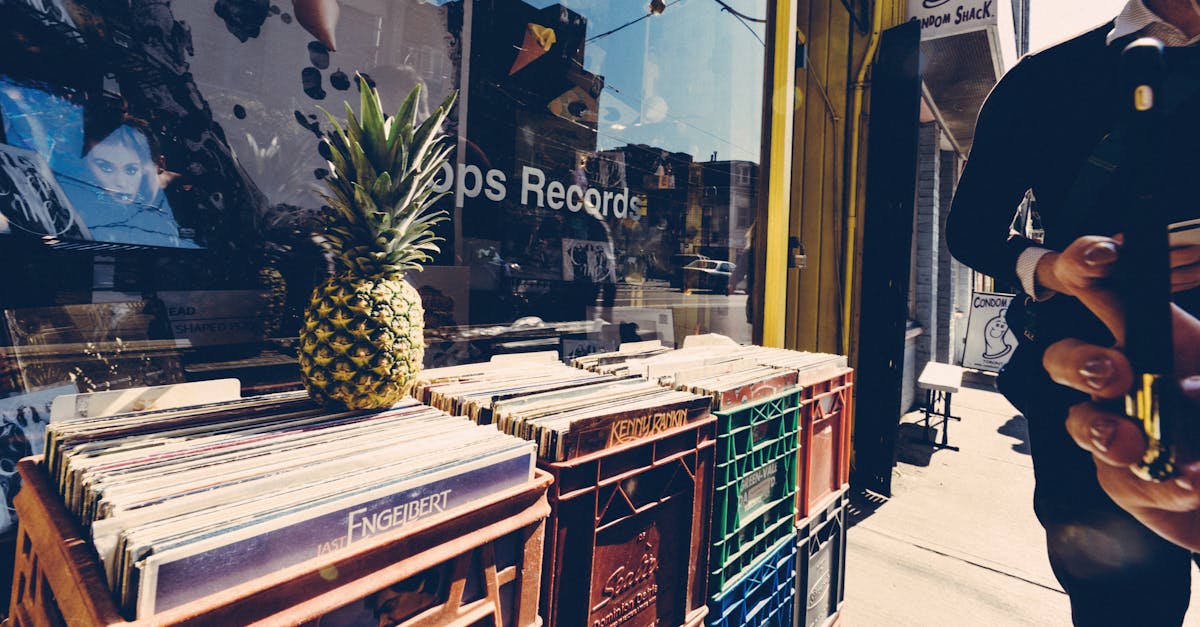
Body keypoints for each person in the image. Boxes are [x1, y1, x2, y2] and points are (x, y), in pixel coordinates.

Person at [946, 1, 1200, 624]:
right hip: (1094, 395)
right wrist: (1052, 268)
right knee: (1121, 606)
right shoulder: (1046, 78)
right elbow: (971, 228)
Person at [1039, 234, 1200, 553]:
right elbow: (974, 234)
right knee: (1121, 589)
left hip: (1134, 373)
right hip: (1098, 354)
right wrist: (1055, 271)